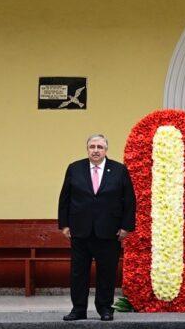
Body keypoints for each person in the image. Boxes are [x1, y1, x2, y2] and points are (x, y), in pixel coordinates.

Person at [58, 134, 135, 321]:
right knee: (78, 273)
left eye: (100, 147)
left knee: (107, 273)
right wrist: (64, 224)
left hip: (109, 231)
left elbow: (129, 201)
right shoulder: (75, 168)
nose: (95, 150)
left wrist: (126, 227)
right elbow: (65, 198)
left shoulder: (119, 170)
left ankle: (105, 309)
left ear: (106, 150)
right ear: (87, 149)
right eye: (92, 146)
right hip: (80, 230)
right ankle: (78, 309)